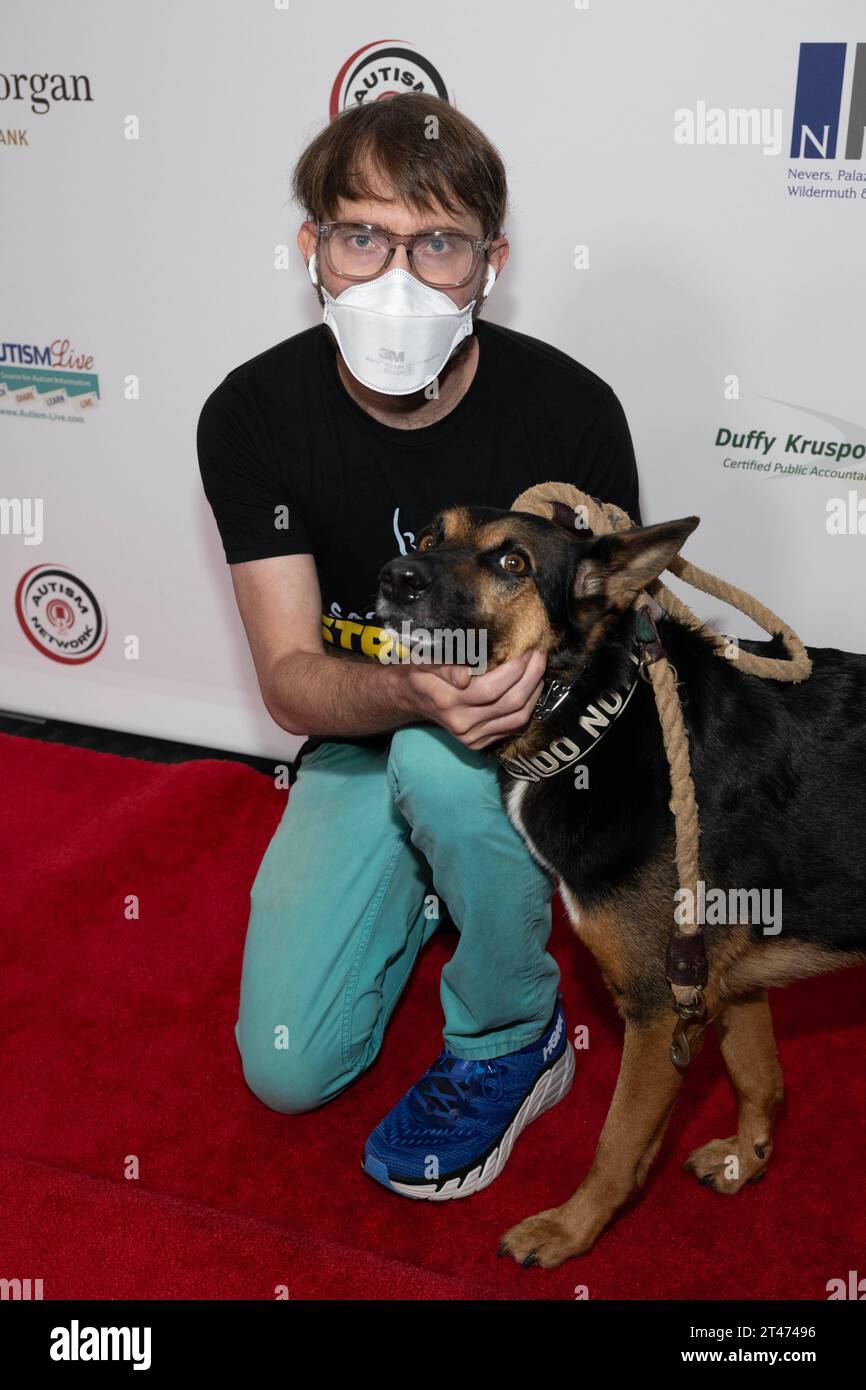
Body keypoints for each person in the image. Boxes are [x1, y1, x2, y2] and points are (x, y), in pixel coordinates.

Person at [197, 92, 642, 1200]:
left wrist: (483, 709)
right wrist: (413, 688)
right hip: (361, 731)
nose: (396, 277)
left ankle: (508, 1036)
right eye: (362, 236)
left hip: (525, 744)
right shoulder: (250, 416)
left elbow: (611, 657)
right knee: (288, 1067)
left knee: (441, 769)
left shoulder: (573, 412)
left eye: (436, 243)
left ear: (489, 263)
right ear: (313, 248)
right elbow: (295, 681)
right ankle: (442, 887)